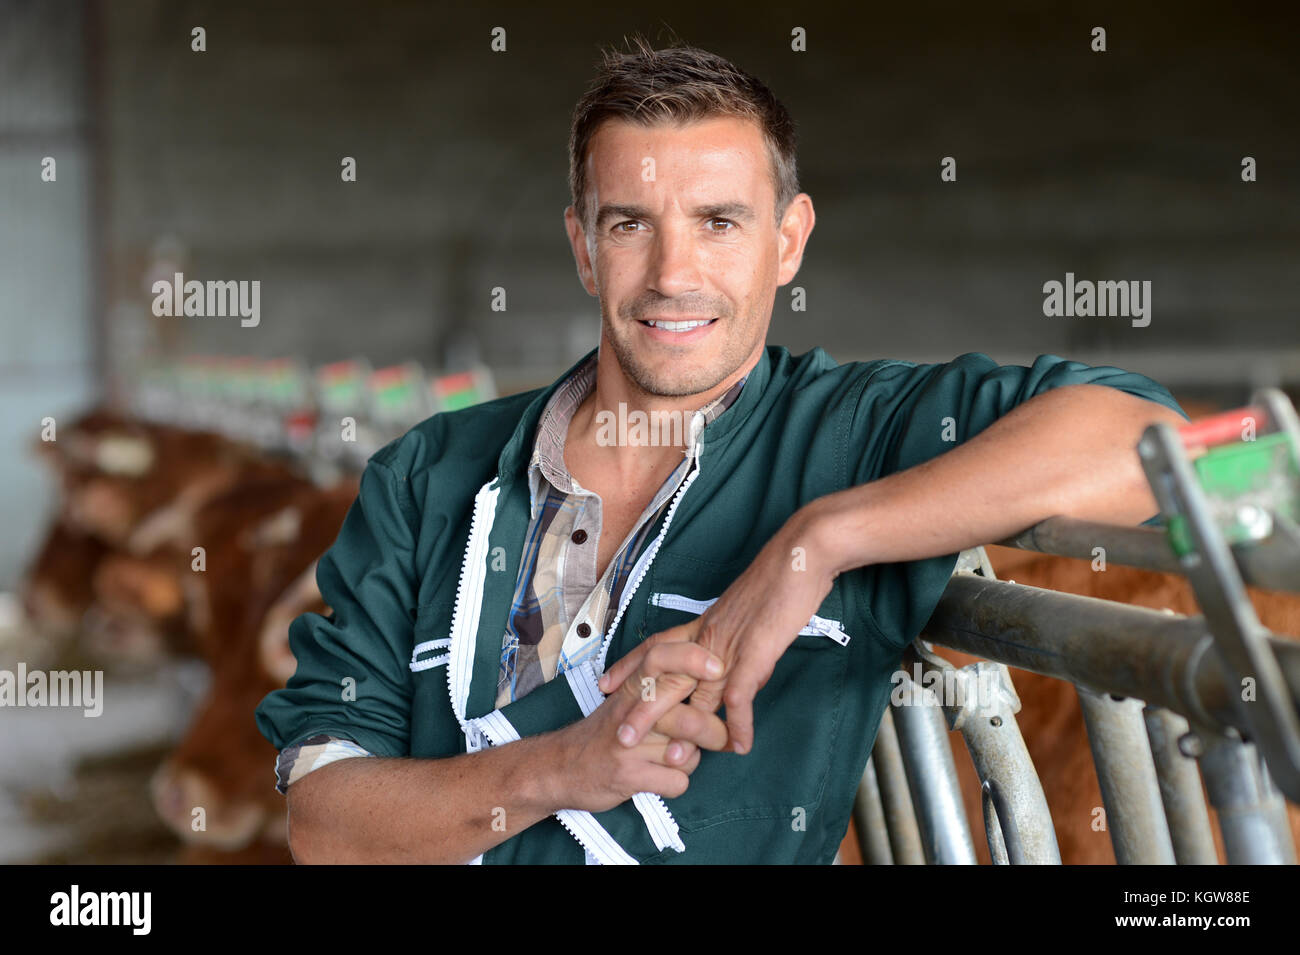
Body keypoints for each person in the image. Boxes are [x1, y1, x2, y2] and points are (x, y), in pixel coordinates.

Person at [254, 37, 1188, 864]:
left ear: (789, 240)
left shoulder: (853, 434)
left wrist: (817, 540)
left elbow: (1143, 435)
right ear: (583, 248)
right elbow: (327, 830)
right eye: (630, 225)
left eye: (719, 222)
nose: (673, 276)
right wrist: (565, 766)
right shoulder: (427, 477)